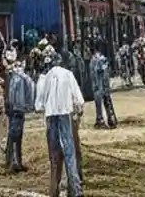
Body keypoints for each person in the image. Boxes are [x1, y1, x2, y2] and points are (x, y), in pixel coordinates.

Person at [35, 52, 84, 197]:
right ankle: (75, 188)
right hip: (65, 113)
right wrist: (79, 108)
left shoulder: (46, 77)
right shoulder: (68, 74)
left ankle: (54, 189)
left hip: (51, 116)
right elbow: (78, 98)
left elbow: (39, 104)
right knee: (69, 152)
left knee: (54, 154)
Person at [5, 54, 36, 173]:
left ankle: (13, 161)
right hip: (18, 110)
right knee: (15, 136)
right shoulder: (20, 78)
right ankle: (14, 162)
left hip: (14, 109)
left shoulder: (12, 77)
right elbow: (30, 87)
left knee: (14, 136)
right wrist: (27, 106)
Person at [89, 43, 116, 129]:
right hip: (104, 85)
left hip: (98, 86)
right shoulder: (103, 58)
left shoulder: (95, 60)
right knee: (107, 102)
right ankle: (111, 120)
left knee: (99, 104)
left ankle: (100, 120)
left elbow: (97, 74)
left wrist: (97, 86)